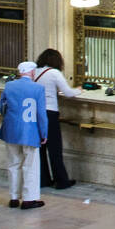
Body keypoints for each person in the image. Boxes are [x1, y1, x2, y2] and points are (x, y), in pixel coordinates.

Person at [0, 61, 48, 210]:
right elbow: (41, 113)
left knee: (13, 163)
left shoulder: (9, 86)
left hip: (11, 130)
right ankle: (29, 199)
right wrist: (44, 133)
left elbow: (3, 108)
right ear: (32, 72)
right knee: (31, 165)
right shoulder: (38, 88)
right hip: (30, 131)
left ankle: (14, 197)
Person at [32, 48, 81, 189]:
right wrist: (80, 90)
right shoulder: (54, 73)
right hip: (50, 114)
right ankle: (61, 181)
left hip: (36, 112)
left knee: (40, 148)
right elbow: (68, 93)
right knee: (54, 149)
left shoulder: (35, 72)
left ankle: (43, 180)